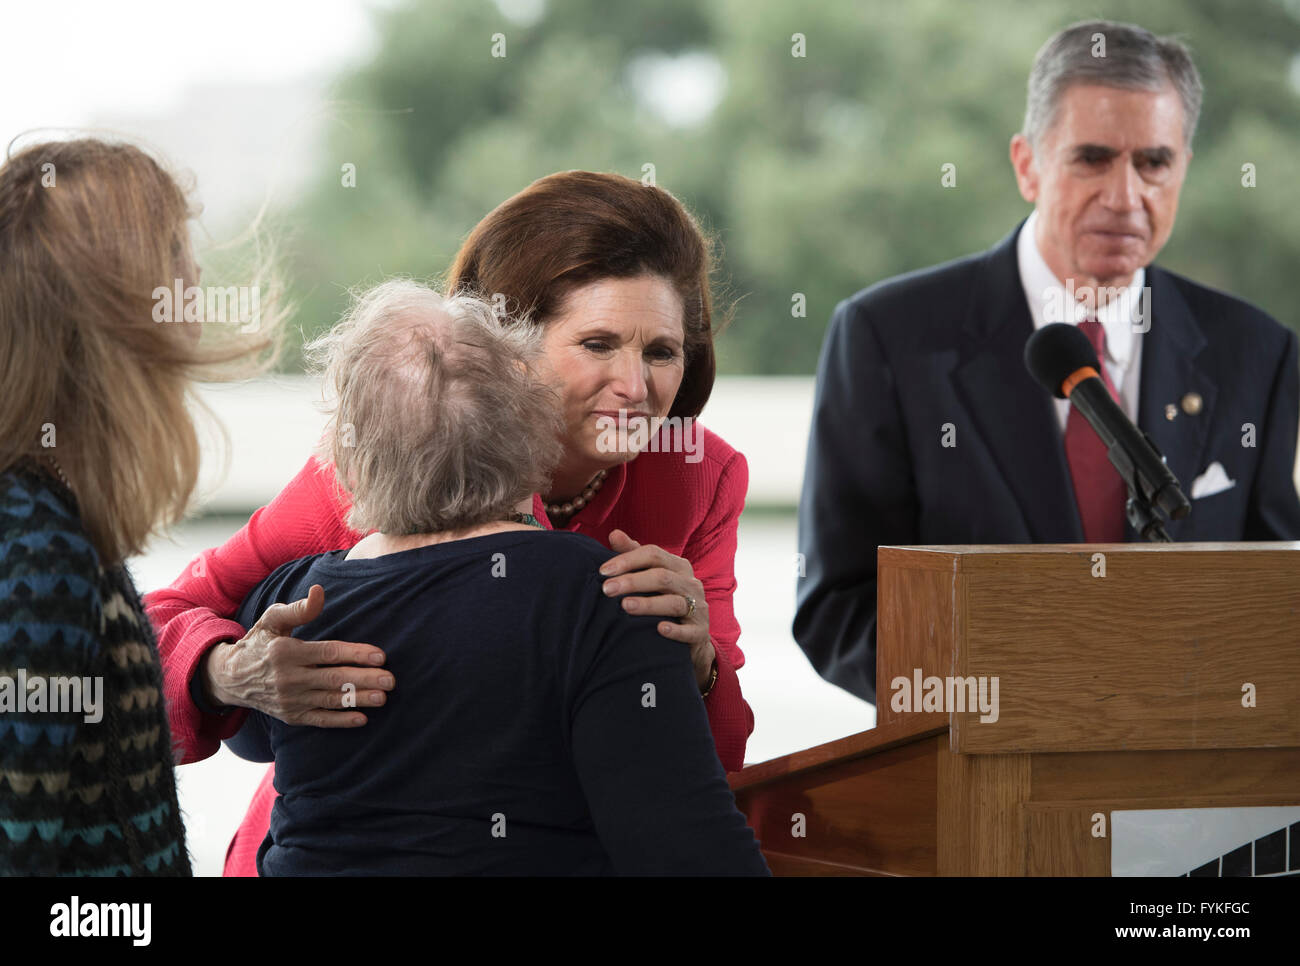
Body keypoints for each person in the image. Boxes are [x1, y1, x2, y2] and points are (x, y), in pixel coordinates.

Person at [144, 171, 755, 876]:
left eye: (661, 352)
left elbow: (717, 760)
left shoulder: (699, 477)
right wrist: (227, 671)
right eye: (598, 344)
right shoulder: (369, 468)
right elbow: (155, 627)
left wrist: (699, 659)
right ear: (507, 350)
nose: (636, 387)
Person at [796, 20, 1300, 704]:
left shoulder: (1257, 353)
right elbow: (839, 609)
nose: (1125, 197)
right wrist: (1028, 701)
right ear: (1027, 164)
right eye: (1092, 158)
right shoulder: (888, 337)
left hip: (1191, 787)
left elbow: (1274, 605)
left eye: (1153, 162)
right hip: (978, 783)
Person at [0, 137, 281, 874]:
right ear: (122, 296)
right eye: (176, 252)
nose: (194, 279)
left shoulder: (49, 514)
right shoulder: (38, 549)